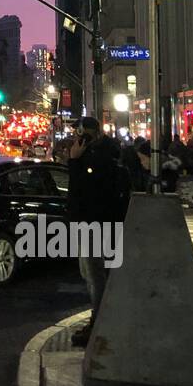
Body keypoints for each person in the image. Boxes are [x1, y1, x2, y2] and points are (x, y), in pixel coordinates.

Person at [67, 117, 129, 348]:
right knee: (90, 272)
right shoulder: (98, 155)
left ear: (87, 134)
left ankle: (99, 321)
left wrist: (74, 161)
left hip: (95, 223)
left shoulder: (97, 158)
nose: (75, 137)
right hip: (93, 222)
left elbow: (83, 190)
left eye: (79, 133)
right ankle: (99, 318)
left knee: (95, 274)